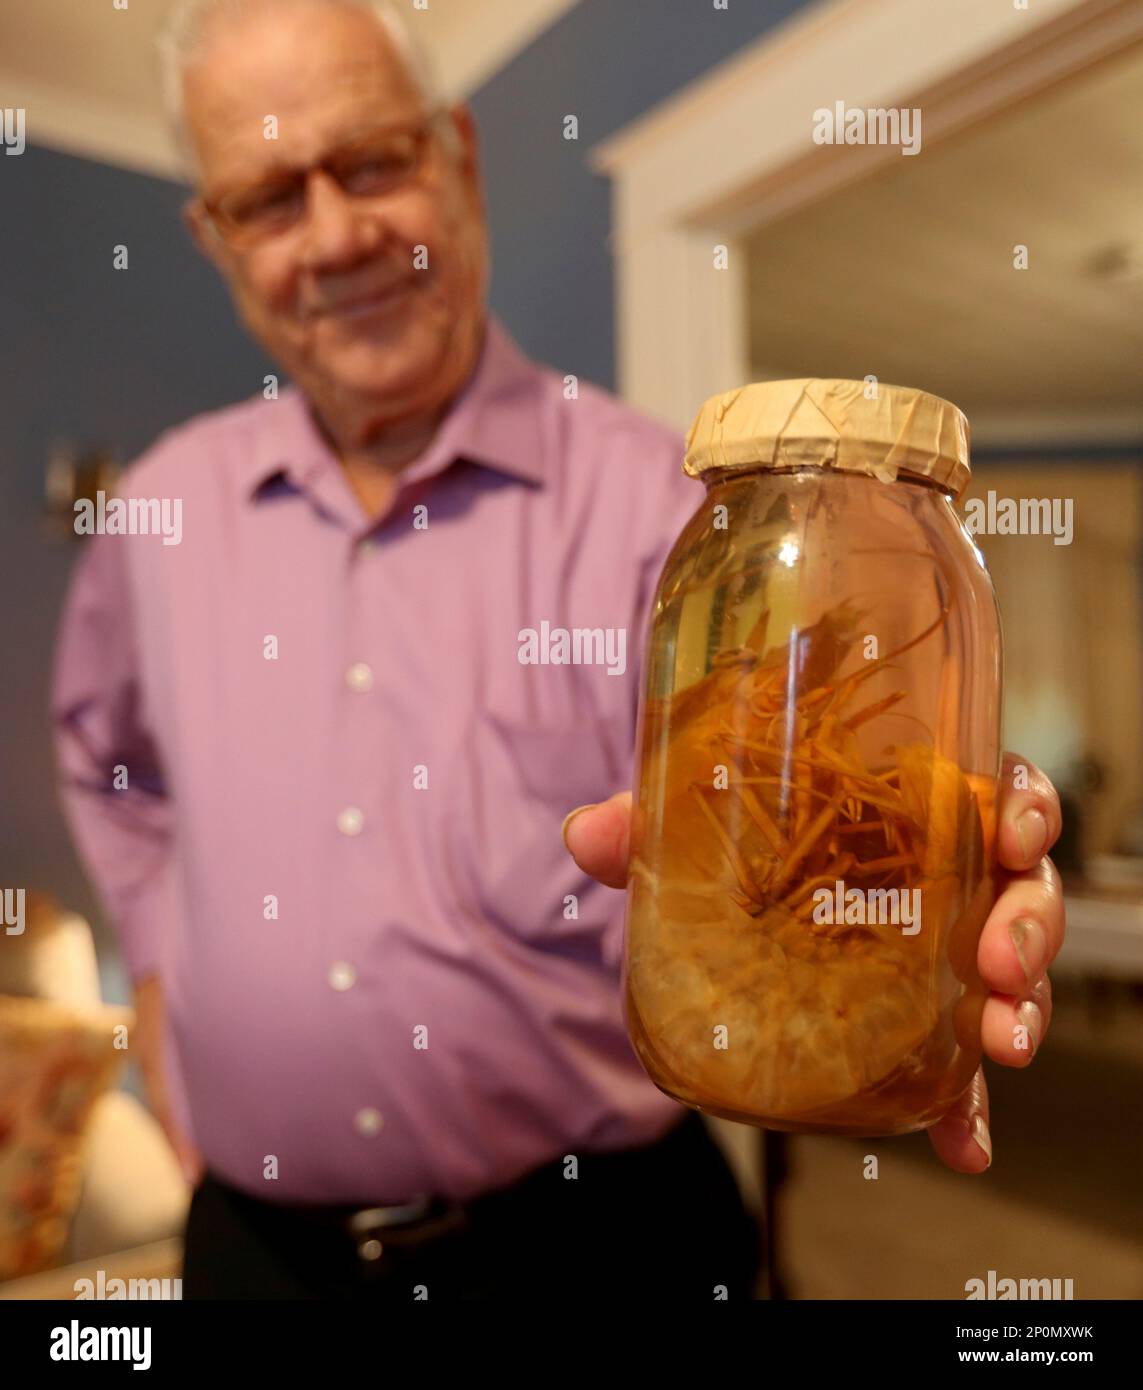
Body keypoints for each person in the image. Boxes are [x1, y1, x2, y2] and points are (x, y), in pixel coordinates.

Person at [51, 0, 1064, 1301]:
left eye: (372, 163)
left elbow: (847, 793)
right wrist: (162, 983)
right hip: (256, 1254)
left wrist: (943, 866)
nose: (338, 233)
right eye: (268, 198)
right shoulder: (156, 516)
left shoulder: (693, 513)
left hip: (600, 1245)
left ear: (458, 152)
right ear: (213, 236)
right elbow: (104, 761)